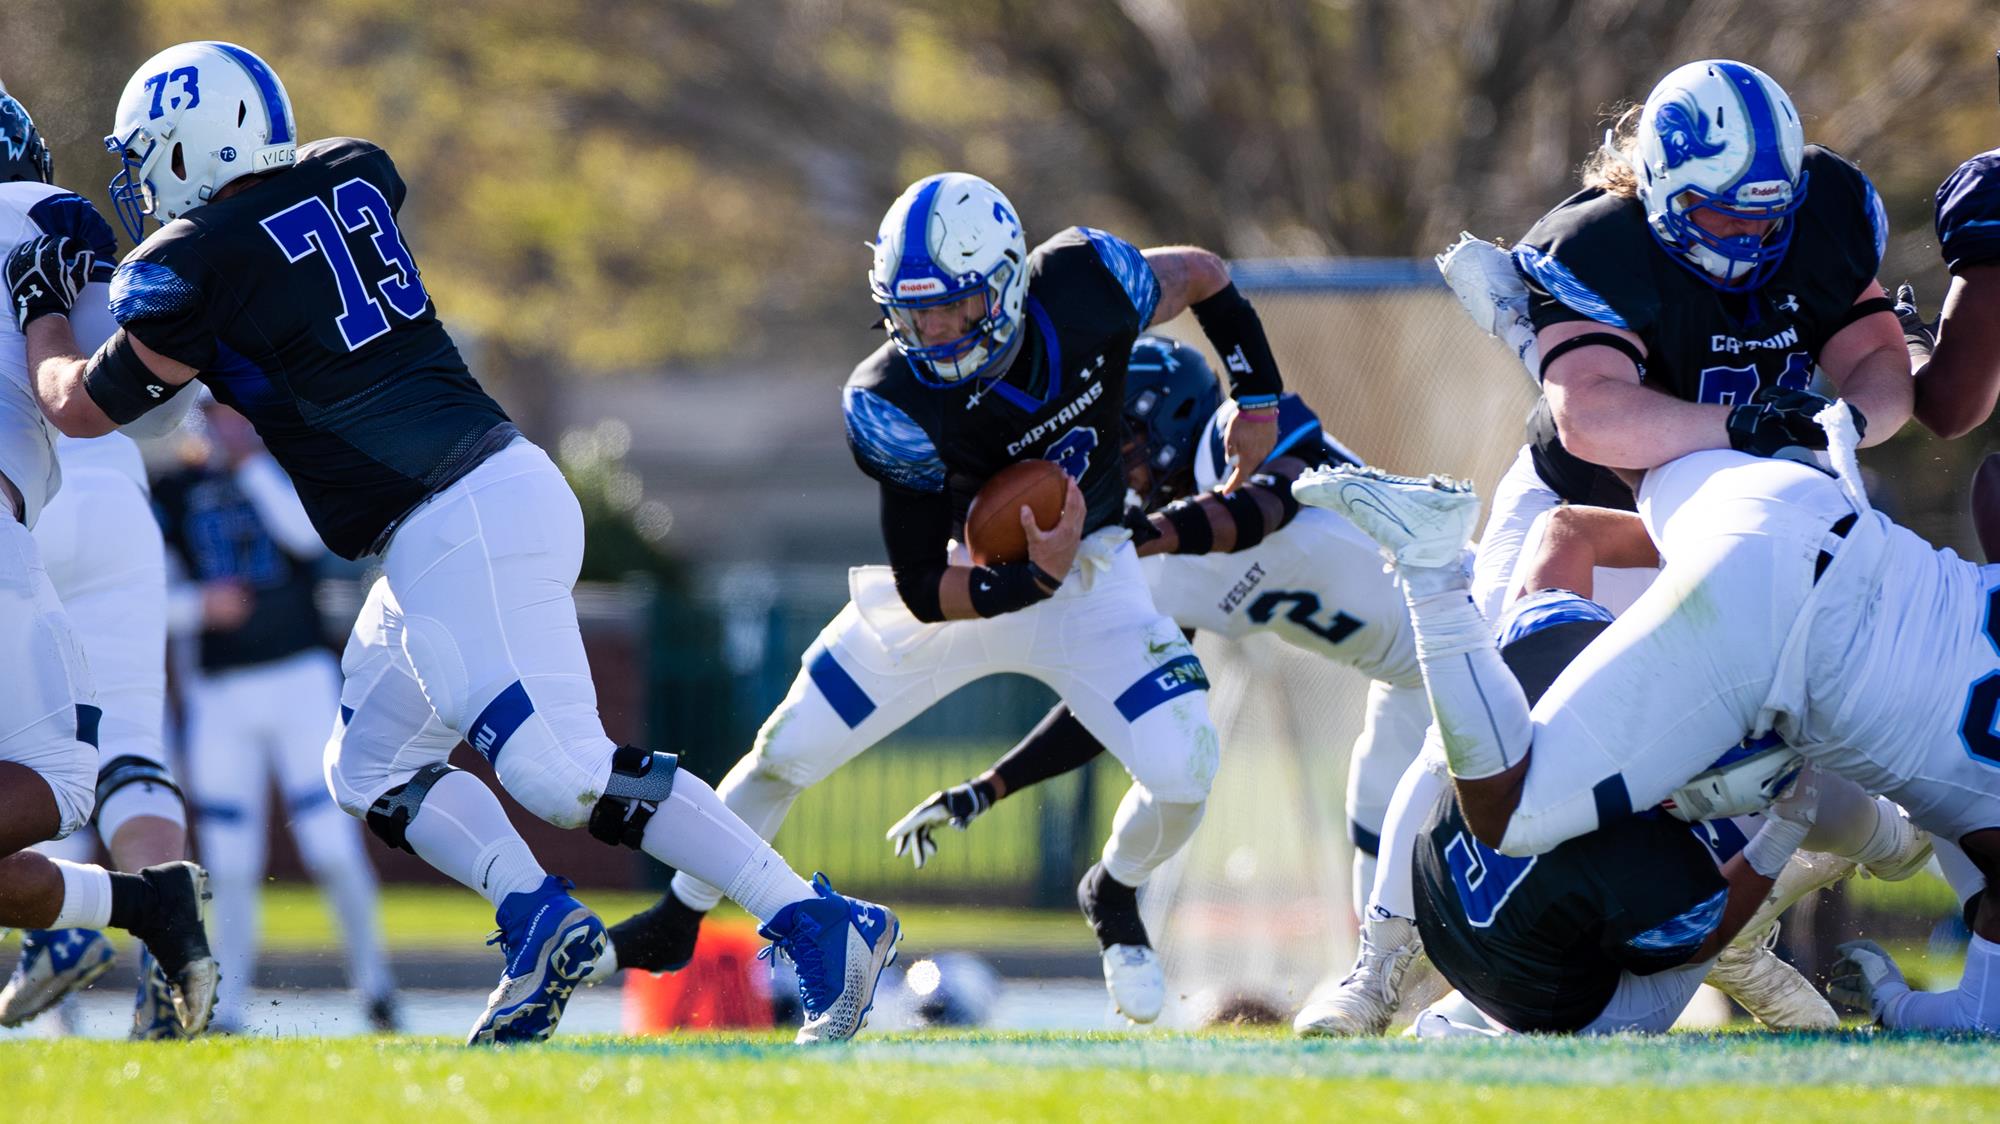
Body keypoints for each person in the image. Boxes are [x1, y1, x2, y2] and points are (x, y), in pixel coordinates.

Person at [11, 40, 896, 1045]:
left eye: (147, 155)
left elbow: (80, 408)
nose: (137, 182)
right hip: (457, 513)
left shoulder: (193, 263)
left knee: (561, 771)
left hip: (457, 517)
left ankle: (819, 921)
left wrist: (41, 311)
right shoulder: (343, 174)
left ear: (189, 148)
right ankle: (539, 922)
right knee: (371, 768)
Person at [601, 174, 1288, 1024]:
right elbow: (924, 585)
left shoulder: (1087, 282)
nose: (928, 329)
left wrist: (1258, 397)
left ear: (1003, 281)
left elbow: (1204, 273)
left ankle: (1115, 893)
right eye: (910, 310)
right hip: (969, 586)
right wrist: (1026, 576)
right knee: (785, 750)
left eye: (949, 307)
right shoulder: (891, 399)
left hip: (1092, 576)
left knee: (1186, 772)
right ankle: (681, 913)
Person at [1293, 413, 2000, 1031]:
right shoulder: (1662, 858)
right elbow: (1700, 927)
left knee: (1478, 754)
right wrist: (1781, 837)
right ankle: (1412, 983)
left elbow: (1563, 536)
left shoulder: (1551, 660)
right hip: (1543, 989)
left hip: (1476, 912)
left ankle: (1430, 577)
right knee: (1772, 790)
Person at [884, 333, 1424, 940]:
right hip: (1405, 682)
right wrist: (989, 787)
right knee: (1377, 847)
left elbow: (1258, 511)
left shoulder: (1242, 432)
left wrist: (1146, 534)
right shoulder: (1153, 563)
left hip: (1476, 624)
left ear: (1173, 412)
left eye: (1122, 439)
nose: (1102, 463)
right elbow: (1109, 702)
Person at [1453, 59, 1912, 624]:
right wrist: (1740, 428)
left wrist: (1848, 424)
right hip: (1589, 502)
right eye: (1726, 213)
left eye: (1767, 213)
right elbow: (1590, 417)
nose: (1751, 233)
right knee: (1511, 687)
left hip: (1745, 517)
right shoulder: (1603, 245)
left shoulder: (1822, 218)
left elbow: (1878, 358)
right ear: (1666, 187)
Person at [0, 85, 215, 1036]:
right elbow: (149, 395)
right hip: (94, 485)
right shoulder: (48, 214)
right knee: (103, 760)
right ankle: (149, 923)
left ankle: (113, 915)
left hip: (33, 513)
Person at [153, 398, 399, 1034]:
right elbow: (146, 593)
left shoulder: (284, 466)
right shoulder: (175, 490)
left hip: (299, 682)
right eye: (214, 412)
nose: (225, 423)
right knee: (230, 860)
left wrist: (253, 463)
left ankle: (376, 987)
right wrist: (196, 608)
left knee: (332, 846)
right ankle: (228, 1006)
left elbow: (307, 538)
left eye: (235, 411)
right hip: (220, 694)